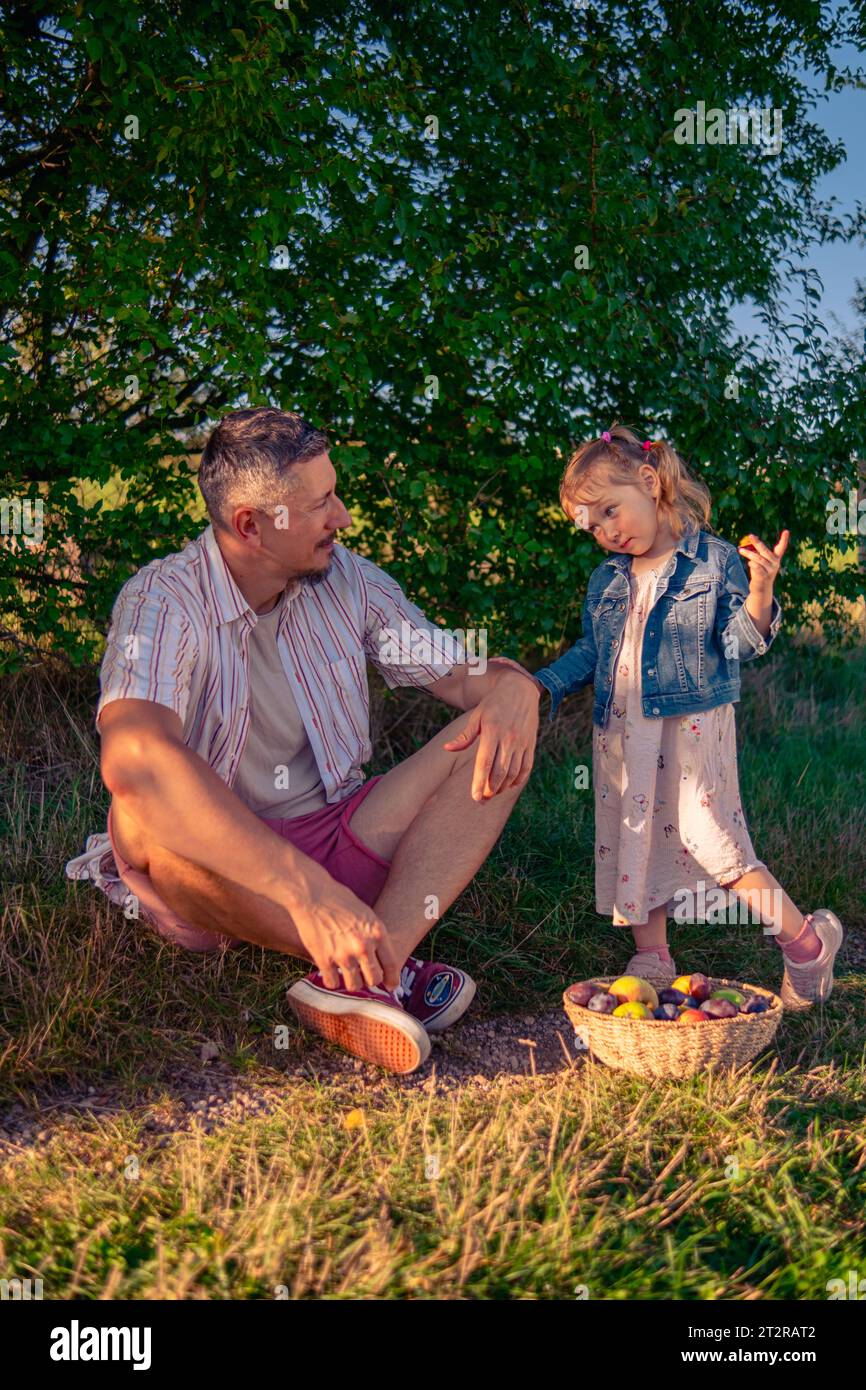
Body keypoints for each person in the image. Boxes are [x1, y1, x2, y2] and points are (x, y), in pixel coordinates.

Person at [65, 407, 542, 1074]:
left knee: (496, 724)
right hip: (219, 866)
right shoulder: (163, 599)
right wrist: (306, 894)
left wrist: (516, 688)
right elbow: (134, 756)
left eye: (334, 494)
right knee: (137, 809)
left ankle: (370, 971)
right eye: (320, 504)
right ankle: (365, 962)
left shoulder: (349, 579)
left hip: (342, 833)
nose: (341, 517)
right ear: (250, 526)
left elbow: (464, 680)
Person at [530, 424, 843, 1007]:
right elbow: (592, 654)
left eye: (609, 512)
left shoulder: (713, 562)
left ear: (649, 482)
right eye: (591, 526)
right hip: (622, 732)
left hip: (691, 727)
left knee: (713, 838)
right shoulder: (608, 579)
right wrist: (537, 687)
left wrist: (761, 592)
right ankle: (652, 953)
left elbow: (741, 643)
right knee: (634, 830)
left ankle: (806, 944)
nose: (604, 532)